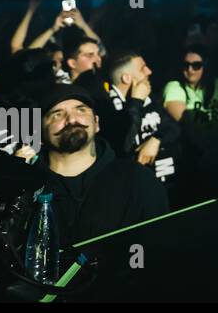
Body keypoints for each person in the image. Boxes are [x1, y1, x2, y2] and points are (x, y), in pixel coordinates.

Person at [33, 86, 169, 249]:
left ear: (96, 123)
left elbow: (159, 249)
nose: (71, 120)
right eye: (57, 114)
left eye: (81, 110)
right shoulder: (26, 190)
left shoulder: (137, 179)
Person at [162, 49, 218, 200]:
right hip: (193, 151)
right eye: (186, 65)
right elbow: (187, 127)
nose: (190, 69)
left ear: (206, 66)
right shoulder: (174, 87)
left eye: (196, 65)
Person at [97, 53, 180, 189]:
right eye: (143, 68)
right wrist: (136, 102)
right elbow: (124, 144)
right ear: (126, 78)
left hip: (165, 177)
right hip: (134, 186)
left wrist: (155, 140)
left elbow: (174, 128)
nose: (149, 71)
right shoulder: (107, 107)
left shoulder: (149, 98)